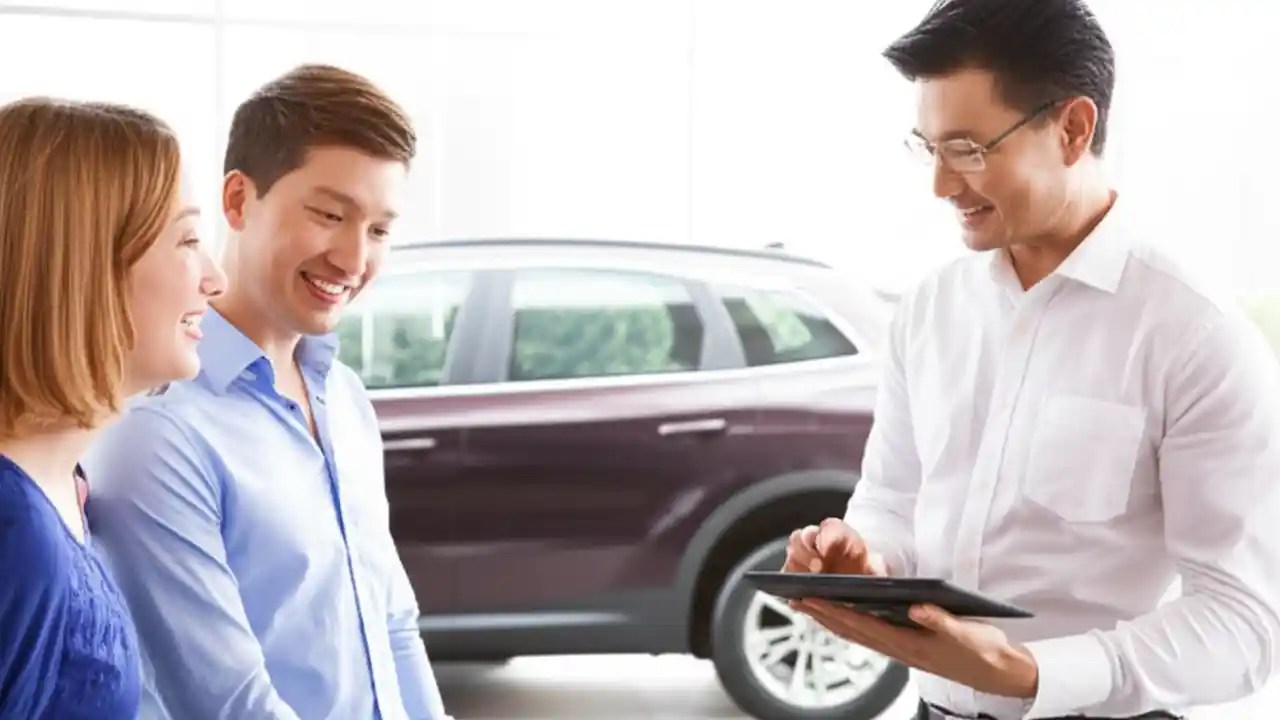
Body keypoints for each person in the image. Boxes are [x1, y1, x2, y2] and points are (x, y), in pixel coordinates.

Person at [783, 1, 1280, 719]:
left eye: (970, 149)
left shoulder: (1195, 334)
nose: (941, 186)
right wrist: (865, 556)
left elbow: (1243, 626)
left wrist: (1028, 671)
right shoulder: (929, 310)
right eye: (929, 148)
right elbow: (893, 499)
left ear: (1073, 129)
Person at [81, 64, 452, 720]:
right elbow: (228, 704)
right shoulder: (158, 431)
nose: (353, 258)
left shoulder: (346, 397)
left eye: (379, 231)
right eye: (330, 214)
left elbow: (392, 627)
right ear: (236, 201)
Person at [0, 98, 226, 718]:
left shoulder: (60, 490)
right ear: (87, 267)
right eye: (187, 240)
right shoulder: (14, 532)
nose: (214, 279)